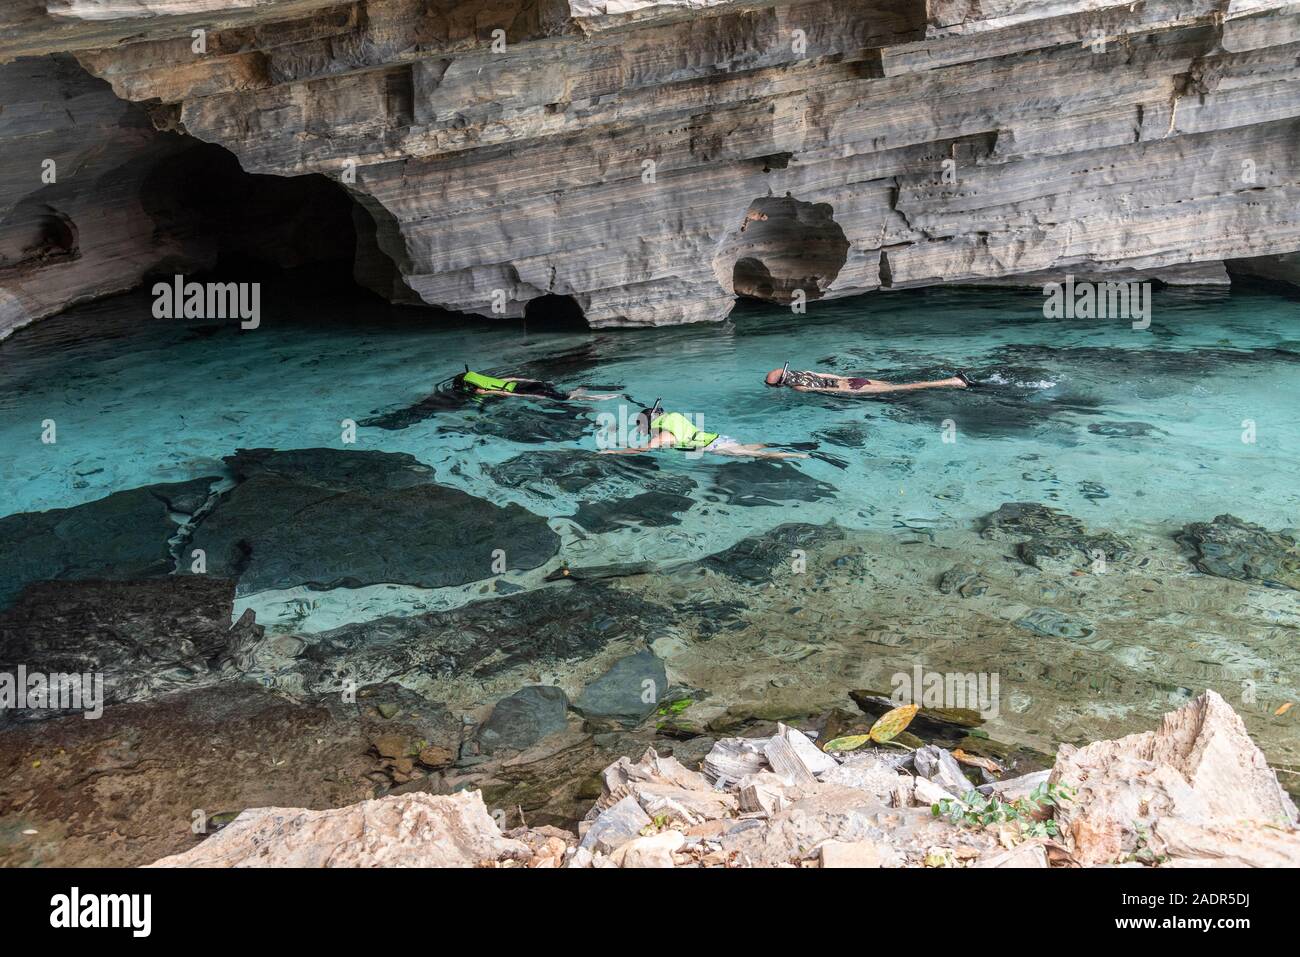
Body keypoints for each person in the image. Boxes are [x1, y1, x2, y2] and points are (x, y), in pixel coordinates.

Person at [600, 405, 807, 459]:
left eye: (641, 426)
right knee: (748, 449)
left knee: (756, 457)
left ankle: (793, 455)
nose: (642, 430)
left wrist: (612, 452)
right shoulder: (672, 419)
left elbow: (641, 451)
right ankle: (775, 443)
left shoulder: (664, 435)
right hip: (717, 438)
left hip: (714, 446)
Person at [764, 362, 973, 394]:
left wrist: (849, 392)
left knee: (906, 387)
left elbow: (827, 391)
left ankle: (953, 382)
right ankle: (954, 379)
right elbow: (834, 376)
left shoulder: (798, 386)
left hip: (854, 389)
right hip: (855, 380)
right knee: (897, 384)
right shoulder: (806, 373)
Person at [453, 369, 618, 401]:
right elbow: (512, 377)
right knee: (562, 393)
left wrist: (485, 393)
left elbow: (507, 394)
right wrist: (534, 381)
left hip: (529, 390)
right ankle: (581, 390)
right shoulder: (494, 381)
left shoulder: (487, 389)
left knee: (566, 398)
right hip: (531, 384)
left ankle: (591, 395)